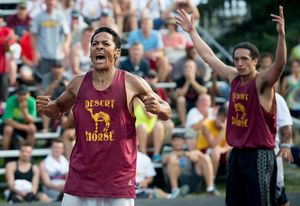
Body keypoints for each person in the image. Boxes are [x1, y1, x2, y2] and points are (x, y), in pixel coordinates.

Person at [36, 27, 172, 206]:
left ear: (116, 53)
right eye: (95, 44)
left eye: (105, 43)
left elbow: (166, 111)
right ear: (90, 53)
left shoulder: (132, 82)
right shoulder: (77, 83)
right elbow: (58, 109)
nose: (99, 47)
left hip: (118, 178)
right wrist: (47, 108)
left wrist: (158, 108)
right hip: (81, 175)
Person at [176, 6, 293, 206]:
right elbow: (210, 57)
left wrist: (281, 36)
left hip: (260, 155)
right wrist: (192, 31)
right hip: (237, 153)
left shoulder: (261, 82)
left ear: (255, 61)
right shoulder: (233, 77)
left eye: (244, 59)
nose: (239, 63)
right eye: (236, 59)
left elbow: (279, 65)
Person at [161, 133, 217, 197]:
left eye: (179, 140)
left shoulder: (189, 151)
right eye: (175, 141)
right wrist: (183, 154)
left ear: (184, 142)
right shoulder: (167, 151)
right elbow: (164, 160)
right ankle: (175, 190)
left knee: (205, 157)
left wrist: (193, 155)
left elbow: (198, 158)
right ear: (171, 142)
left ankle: (210, 188)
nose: (177, 143)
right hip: (176, 180)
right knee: (173, 159)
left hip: (190, 179)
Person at [1, 84, 37, 149]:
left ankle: (29, 152)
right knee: (8, 129)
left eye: (24, 94)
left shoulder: (32, 101)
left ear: (29, 94)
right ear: (16, 95)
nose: (22, 97)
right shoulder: (11, 100)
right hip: (12, 125)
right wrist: (25, 127)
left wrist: (24, 111)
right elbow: (7, 120)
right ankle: (6, 153)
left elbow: (31, 120)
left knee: (32, 128)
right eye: (20, 94)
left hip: (22, 124)